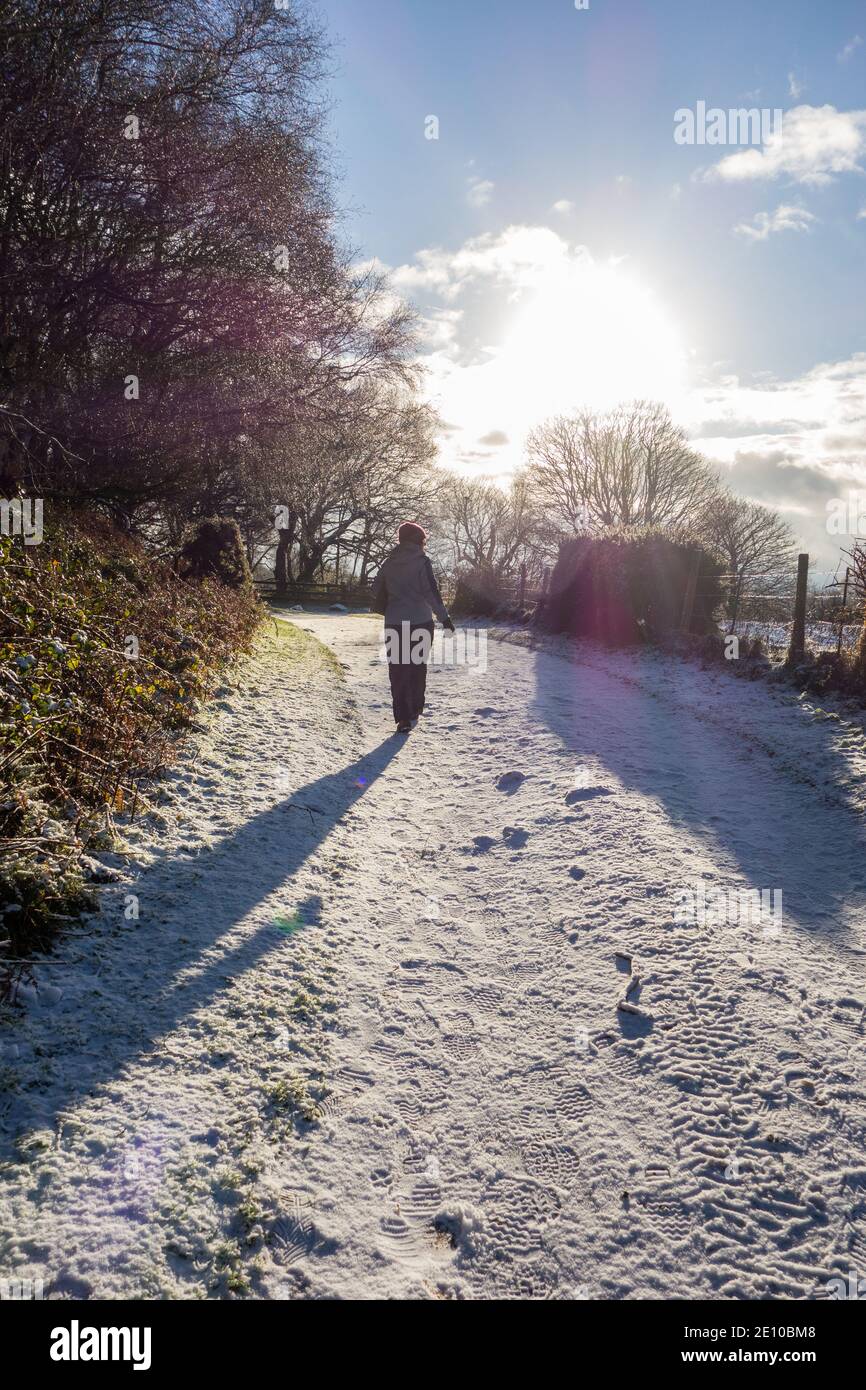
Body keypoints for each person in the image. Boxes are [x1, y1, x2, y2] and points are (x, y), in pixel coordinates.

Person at [371, 521, 454, 733]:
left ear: (400, 540)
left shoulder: (389, 562)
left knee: (398, 670)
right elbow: (431, 593)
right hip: (420, 622)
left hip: (395, 622)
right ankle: (416, 707)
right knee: (417, 666)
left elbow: (375, 589)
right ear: (420, 540)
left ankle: (403, 718)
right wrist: (445, 619)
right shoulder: (422, 561)